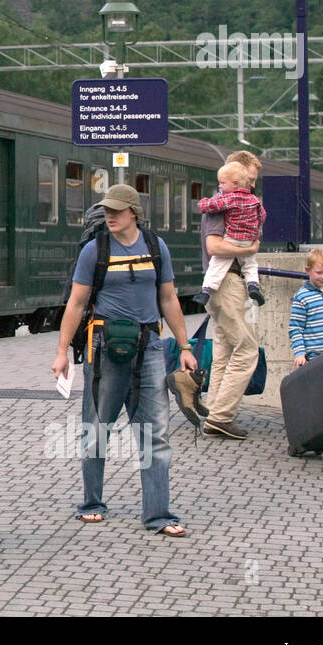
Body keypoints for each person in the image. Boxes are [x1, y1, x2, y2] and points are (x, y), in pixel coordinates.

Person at [51, 184, 197, 537]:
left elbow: (169, 298)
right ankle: (91, 502)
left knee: (154, 433)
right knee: (97, 427)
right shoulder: (94, 251)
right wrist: (61, 351)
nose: (110, 216)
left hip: (149, 347)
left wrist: (185, 345)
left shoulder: (155, 247)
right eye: (107, 211)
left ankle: (158, 515)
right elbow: (76, 302)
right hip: (104, 348)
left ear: (134, 212)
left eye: (117, 210)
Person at [198, 151, 262, 440]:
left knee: (224, 349)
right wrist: (247, 251)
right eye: (249, 180)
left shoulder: (239, 203)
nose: (252, 186)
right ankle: (221, 417)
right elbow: (214, 247)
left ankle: (213, 408)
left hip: (223, 285)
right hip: (226, 283)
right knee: (247, 350)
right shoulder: (221, 207)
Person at [196, 160, 266, 308]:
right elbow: (262, 215)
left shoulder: (229, 198)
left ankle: (206, 291)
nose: (252, 184)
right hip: (249, 239)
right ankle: (253, 286)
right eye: (250, 180)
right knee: (251, 266)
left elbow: (211, 206)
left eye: (222, 183)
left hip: (232, 238)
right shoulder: (255, 200)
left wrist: (202, 203)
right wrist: (254, 233)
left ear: (234, 183)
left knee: (217, 264)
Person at [288, 248, 323, 367]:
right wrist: (300, 353)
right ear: (308, 270)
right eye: (319, 272)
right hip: (314, 357)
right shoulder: (302, 297)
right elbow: (295, 328)